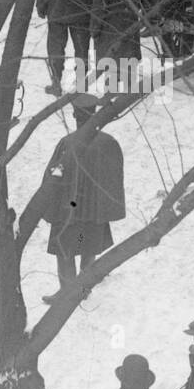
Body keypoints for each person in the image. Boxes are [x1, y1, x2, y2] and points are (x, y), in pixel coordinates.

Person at [26, 93, 125, 302]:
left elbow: (53, 178)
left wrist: (49, 209)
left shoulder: (68, 143)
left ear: (76, 116)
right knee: (89, 248)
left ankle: (67, 294)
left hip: (69, 213)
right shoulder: (110, 144)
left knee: (65, 253)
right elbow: (115, 178)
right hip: (96, 213)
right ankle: (83, 289)